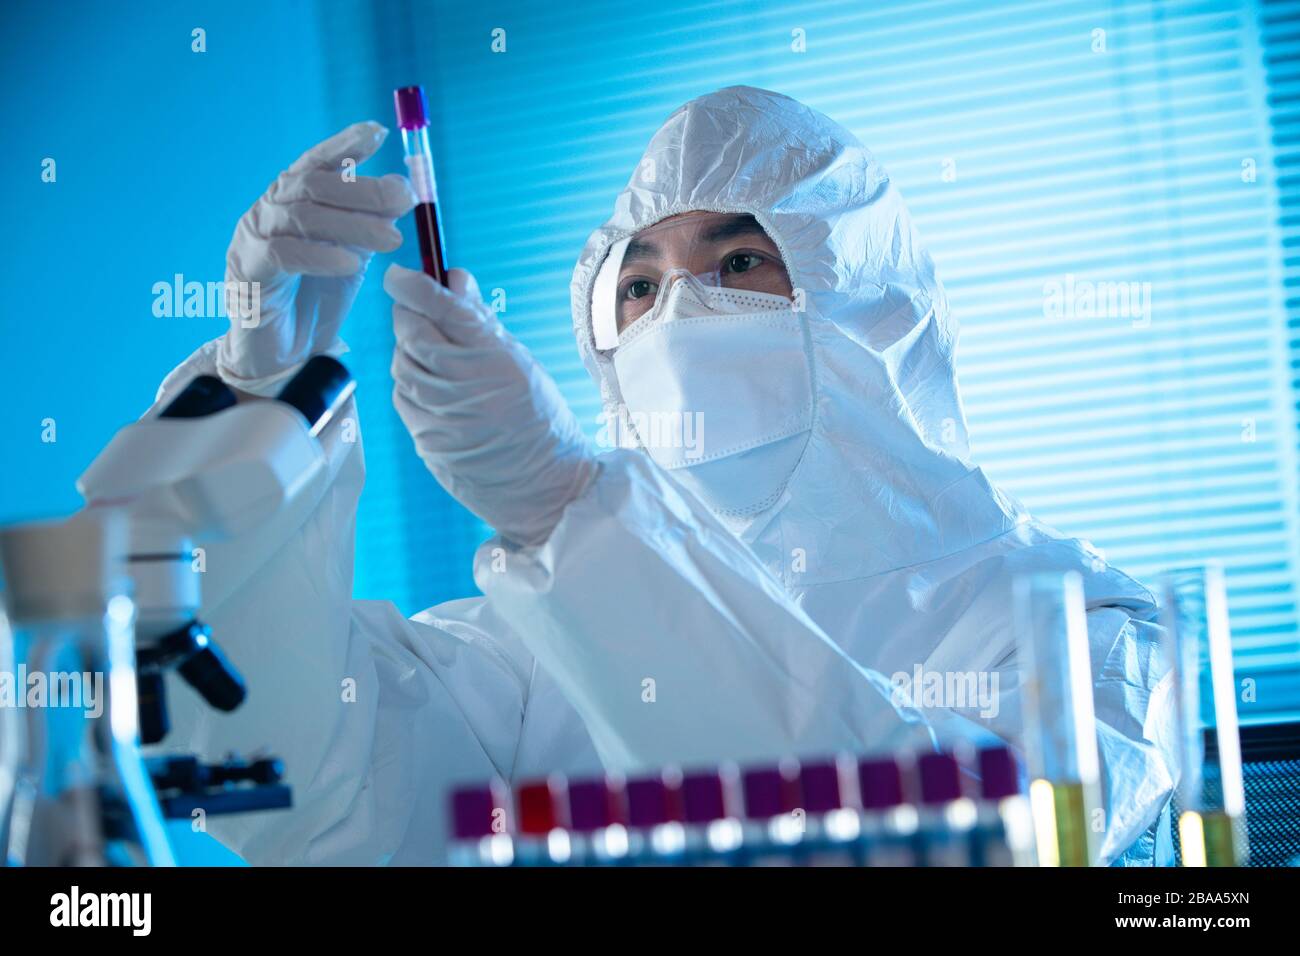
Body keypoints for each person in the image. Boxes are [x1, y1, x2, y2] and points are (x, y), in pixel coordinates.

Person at [150, 87, 1174, 865]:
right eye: (637, 284)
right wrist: (261, 409)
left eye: (734, 265)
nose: (674, 313)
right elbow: (309, 788)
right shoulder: (529, 639)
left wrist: (571, 514)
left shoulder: (1088, 627)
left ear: (867, 300)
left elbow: (973, 840)